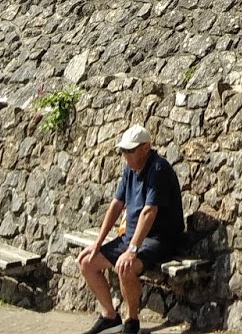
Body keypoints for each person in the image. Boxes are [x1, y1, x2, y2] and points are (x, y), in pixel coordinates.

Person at [77, 124, 186, 334]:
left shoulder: (159, 169)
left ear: (146, 147)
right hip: (132, 235)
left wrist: (132, 250)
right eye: (123, 151)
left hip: (159, 239)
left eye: (130, 150)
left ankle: (132, 321)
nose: (125, 155)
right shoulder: (130, 169)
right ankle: (110, 316)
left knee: (125, 266)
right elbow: (117, 204)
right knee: (86, 262)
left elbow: (149, 212)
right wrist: (98, 243)